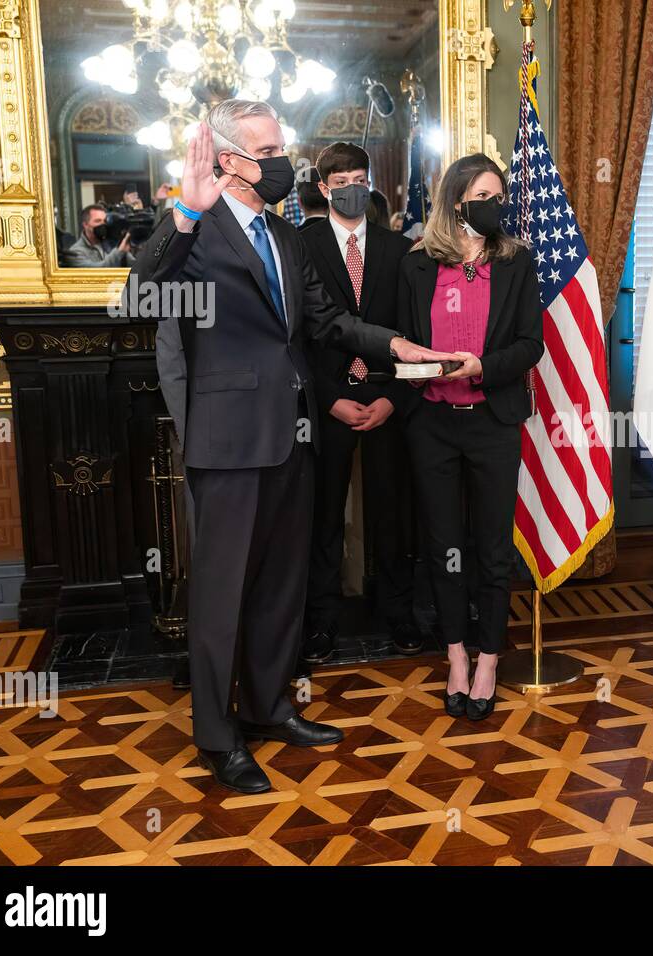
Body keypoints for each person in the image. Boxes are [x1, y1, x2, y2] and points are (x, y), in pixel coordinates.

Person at [130, 99, 457, 794]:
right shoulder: (195, 230)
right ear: (229, 160)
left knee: (281, 586)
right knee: (221, 598)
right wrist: (183, 213)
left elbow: (325, 319)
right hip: (225, 444)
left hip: (290, 432)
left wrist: (399, 345)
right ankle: (218, 740)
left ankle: (271, 707)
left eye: (283, 147)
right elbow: (140, 292)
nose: (286, 161)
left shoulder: (283, 235)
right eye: (270, 149)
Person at [397, 153, 543, 721]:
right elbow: (400, 341)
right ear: (458, 201)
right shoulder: (416, 265)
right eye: (485, 195)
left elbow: (530, 344)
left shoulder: (516, 262)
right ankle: (455, 653)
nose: (496, 205)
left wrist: (480, 365)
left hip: (492, 421)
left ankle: (488, 657)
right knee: (444, 544)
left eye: (499, 195)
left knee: (490, 546)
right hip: (431, 422)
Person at [300, 141, 422, 664]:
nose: (353, 188)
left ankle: (397, 610)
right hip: (326, 401)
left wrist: (394, 399)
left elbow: (413, 333)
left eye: (360, 178)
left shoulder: (400, 251)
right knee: (322, 515)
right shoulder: (298, 244)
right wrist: (327, 400)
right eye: (341, 180)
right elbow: (297, 335)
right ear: (324, 188)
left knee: (393, 512)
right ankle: (320, 619)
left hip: (386, 399)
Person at [63, 204, 132, 267]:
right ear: (85, 225)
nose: (103, 224)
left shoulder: (109, 243)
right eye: (98, 221)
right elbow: (99, 270)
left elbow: (133, 267)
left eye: (105, 221)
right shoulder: (75, 253)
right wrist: (119, 251)